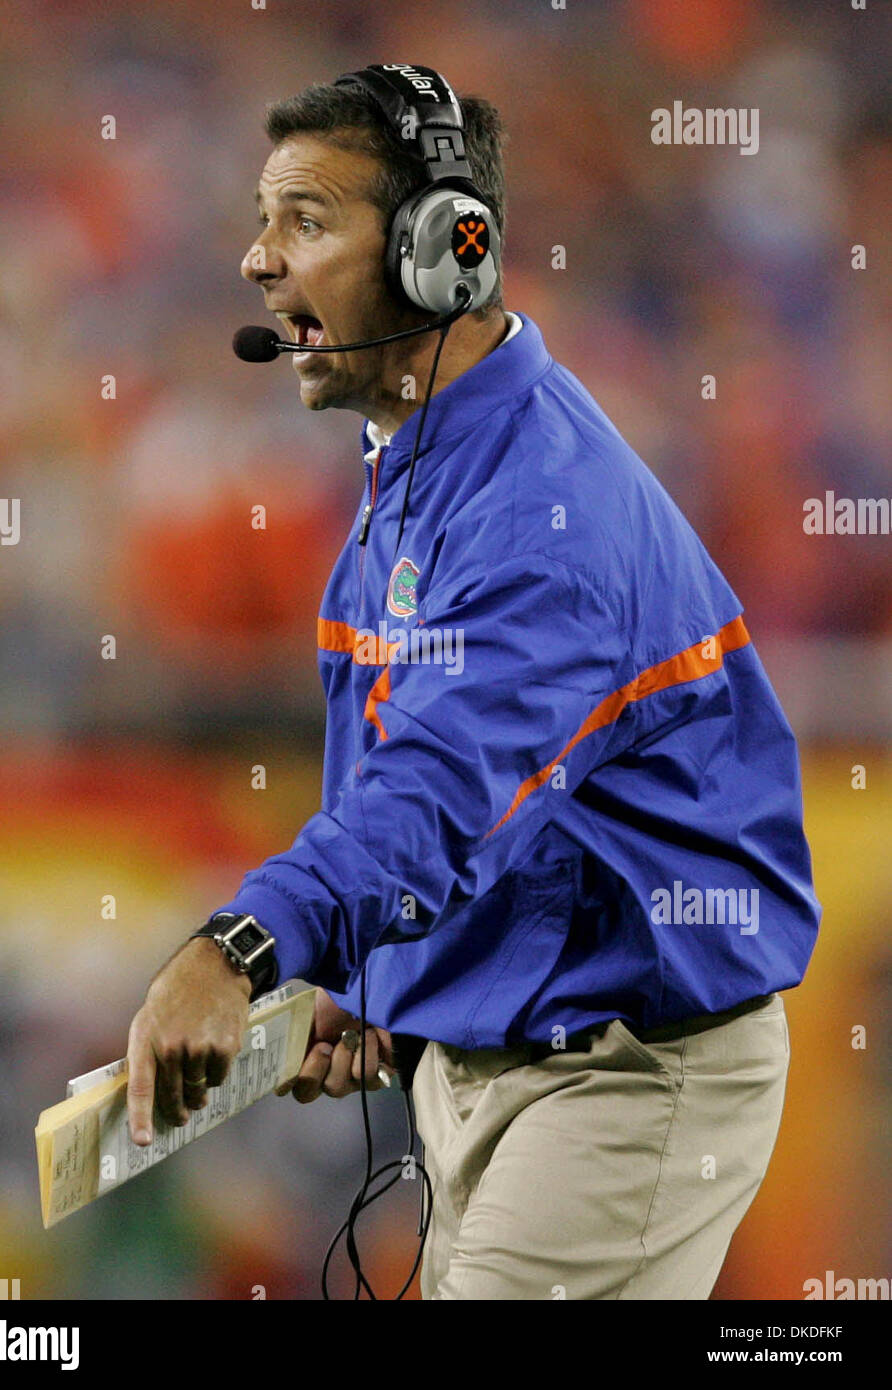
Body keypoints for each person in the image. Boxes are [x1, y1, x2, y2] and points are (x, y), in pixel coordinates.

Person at [125, 65, 821, 1300]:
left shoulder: (538, 515)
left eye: (306, 219)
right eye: (261, 216)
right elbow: (443, 788)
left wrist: (240, 948)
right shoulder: (419, 458)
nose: (256, 258)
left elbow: (441, 791)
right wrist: (370, 977)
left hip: (623, 1070)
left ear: (449, 252)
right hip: (501, 1043)